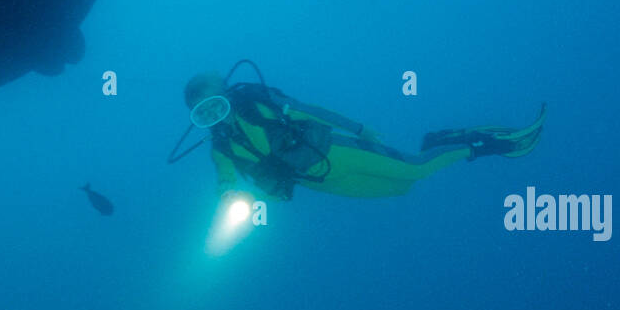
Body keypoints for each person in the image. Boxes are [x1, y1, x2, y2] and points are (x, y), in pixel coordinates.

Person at [176, 64, 546, 201]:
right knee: (402, 189)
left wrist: (359, 128)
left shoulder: (254, 104)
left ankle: (480, 144)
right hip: (320, 182)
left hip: (335, 152)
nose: (214, 116)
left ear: (226, 97)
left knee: (415, 169)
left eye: (216, 105)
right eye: (203, 114)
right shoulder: (220, 146)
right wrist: (228, 194)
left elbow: (308, 110)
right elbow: (227, 178)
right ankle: (435, 142)